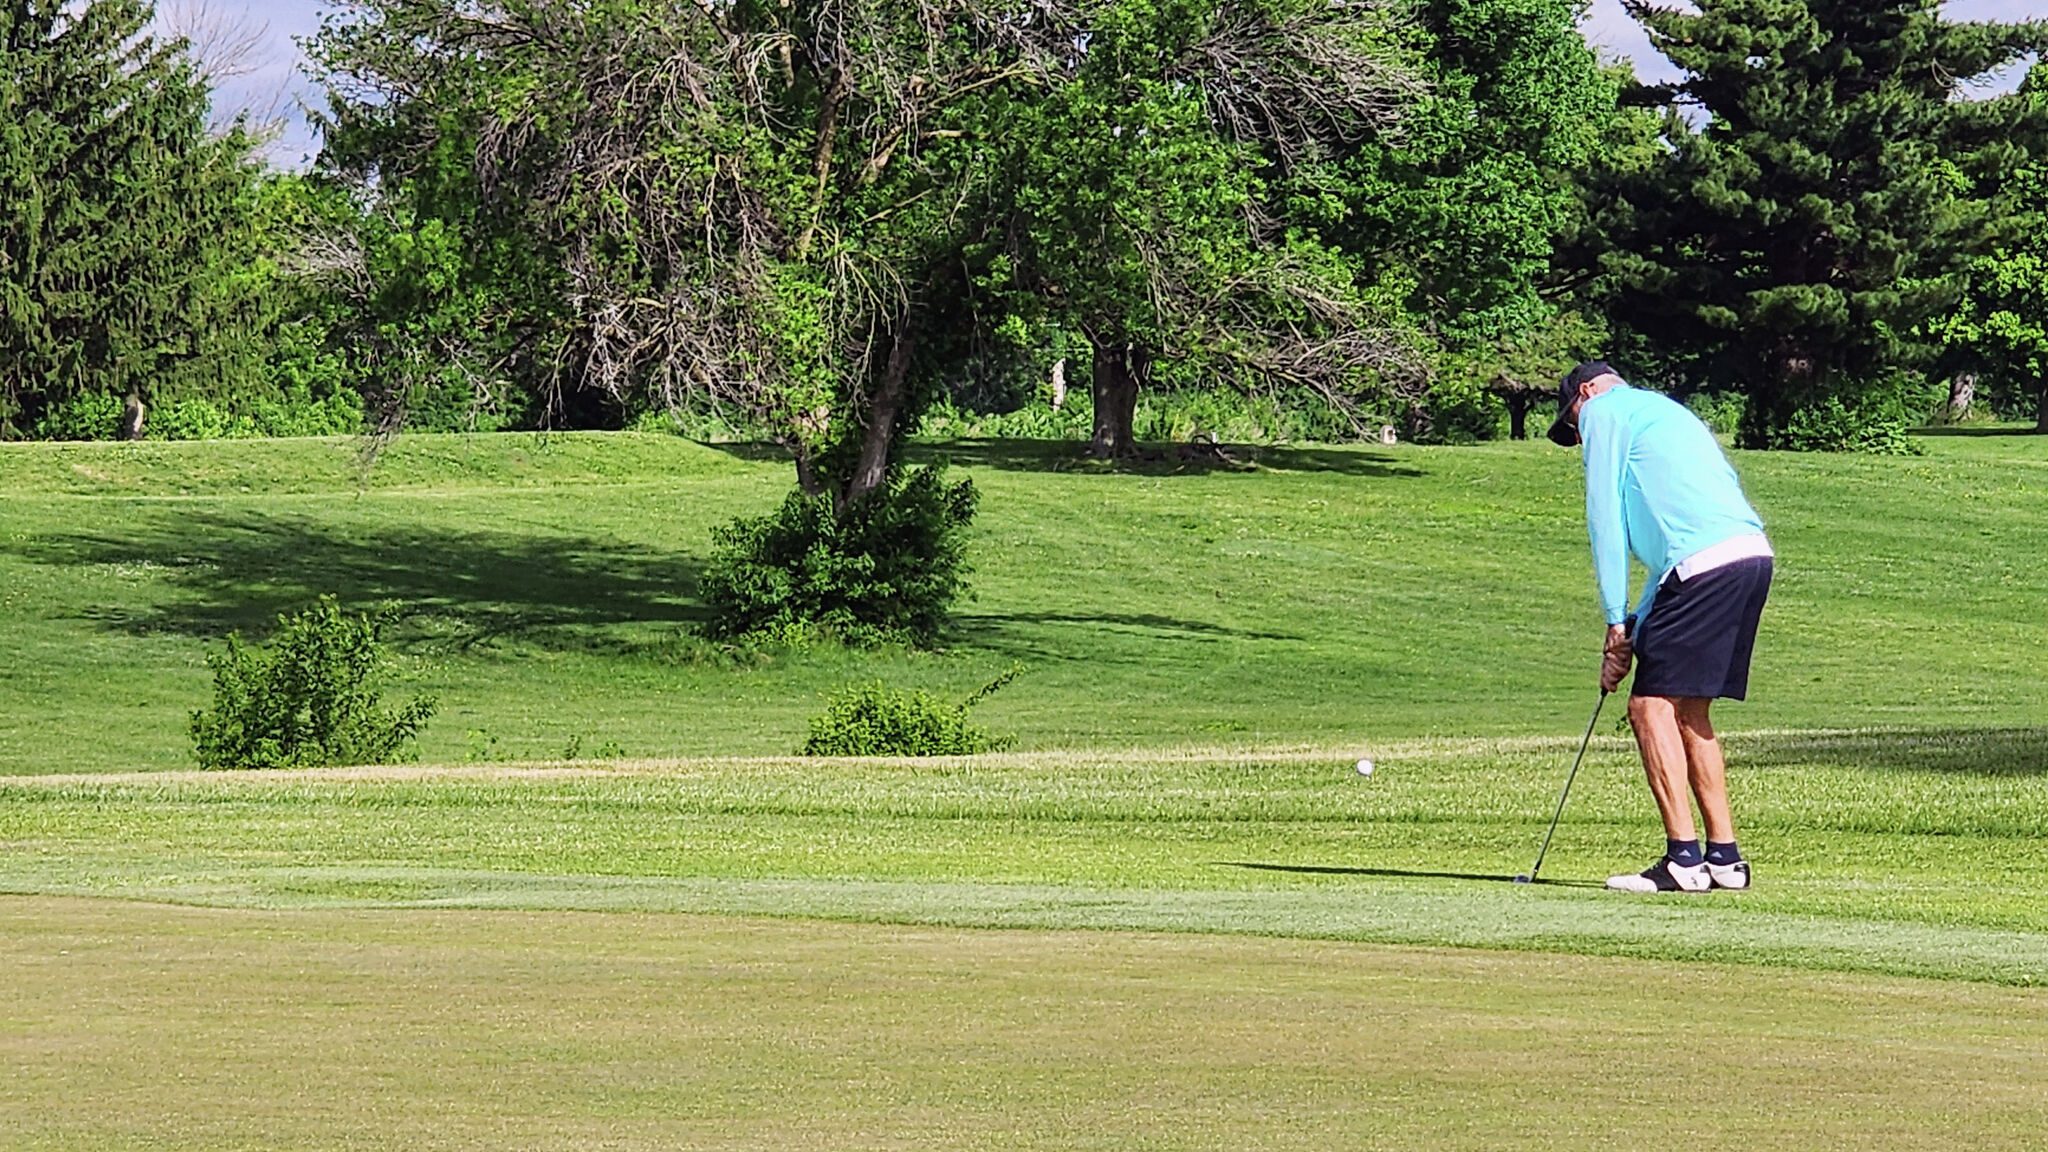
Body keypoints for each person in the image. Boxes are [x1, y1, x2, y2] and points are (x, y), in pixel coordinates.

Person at [1547, 362, 1774, 892]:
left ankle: (1682, 861)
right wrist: (1629, 632)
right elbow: (1664, 564)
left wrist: (1610, 620)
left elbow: (1603, 517)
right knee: (1689, 708)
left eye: (1573, 424)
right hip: (1747, 558)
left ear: (1586, 392)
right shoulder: (1666, 411)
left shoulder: (1604, 411)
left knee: (1648, 706)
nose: (1580, 438)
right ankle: (1724, 860)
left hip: (1701, 564)